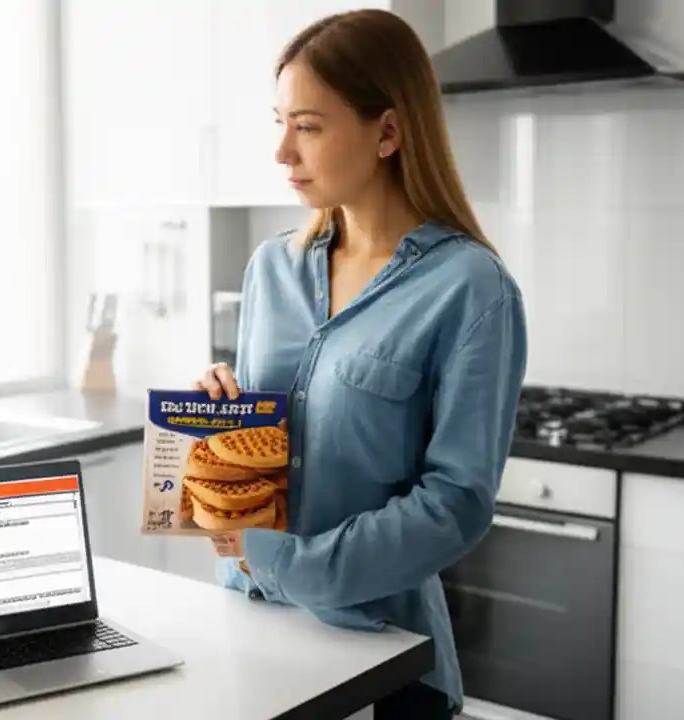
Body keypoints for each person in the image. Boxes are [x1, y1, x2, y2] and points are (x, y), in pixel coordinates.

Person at [192, 9, 527, 719]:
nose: (282, 151)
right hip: (252, 630)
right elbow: (264, 469)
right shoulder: (271, 269)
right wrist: (219, 422)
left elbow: (456, 503)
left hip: (381, 657)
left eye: (308, 126)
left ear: (387, 132)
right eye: (278, 122)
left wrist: (285, 561)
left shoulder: (472, 288)